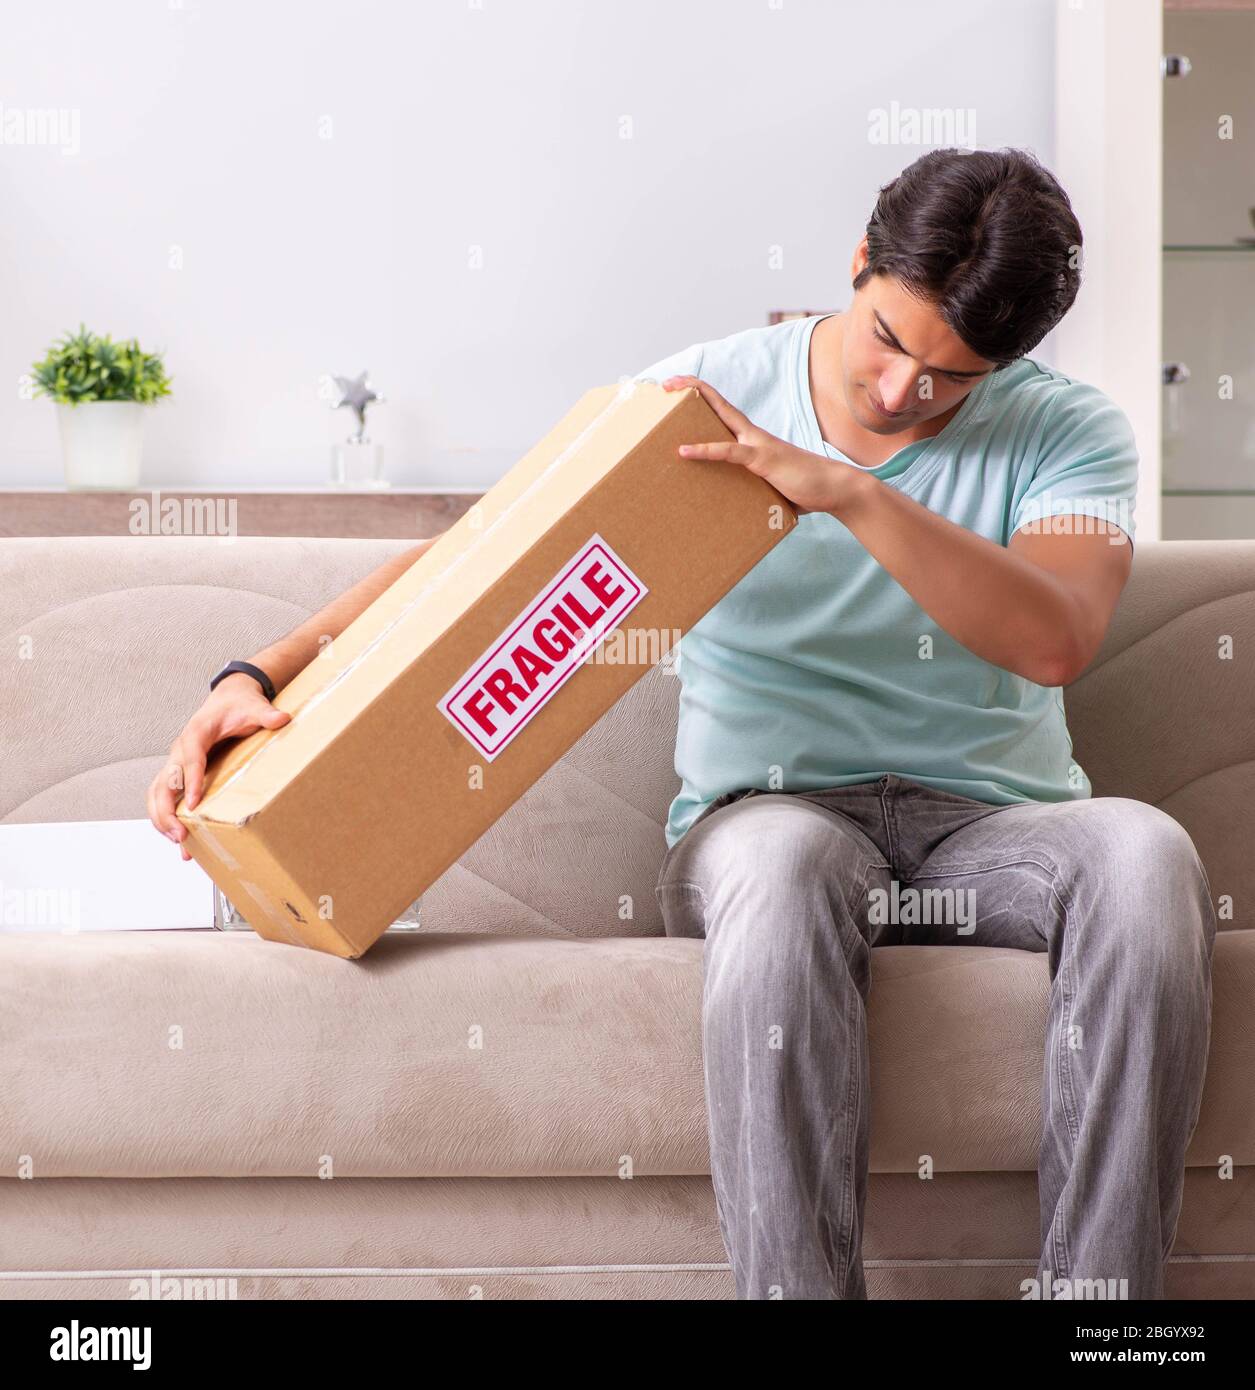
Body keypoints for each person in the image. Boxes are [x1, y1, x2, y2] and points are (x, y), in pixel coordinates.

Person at [632, 146, 1215, 1300]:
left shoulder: (1068, 432)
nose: (903, 394)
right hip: (770, 815)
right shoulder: (703, 393)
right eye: (888, 340)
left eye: (951, 377)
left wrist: (849, 490)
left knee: (1145, 853)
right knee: (788, 858)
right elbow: (484, 566)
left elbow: (1052, 637)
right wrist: (261, 672)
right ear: (856, 265)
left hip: (991, 829)